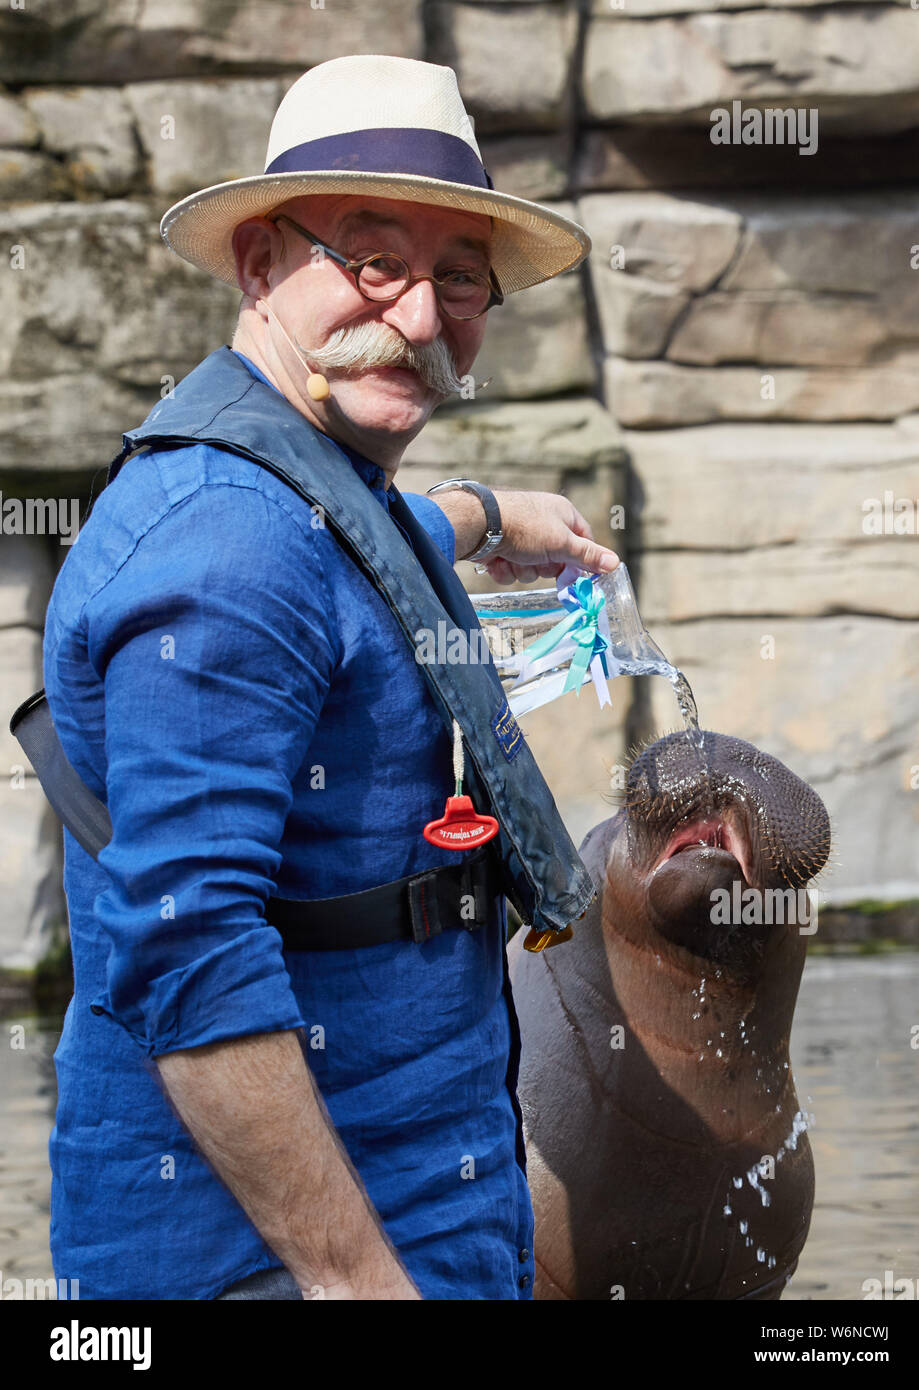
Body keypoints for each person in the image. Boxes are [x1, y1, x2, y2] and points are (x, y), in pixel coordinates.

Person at [42, 54, 618, 1301]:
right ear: (259, 264)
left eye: (457, 276)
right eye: (372, 261)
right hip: (272, 1259)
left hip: (417, 1199)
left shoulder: (308, 479)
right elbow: (190, 958)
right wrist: (360, 1280)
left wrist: (490, 512)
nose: (418, 317)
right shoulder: (225, 552)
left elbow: (368, 537)